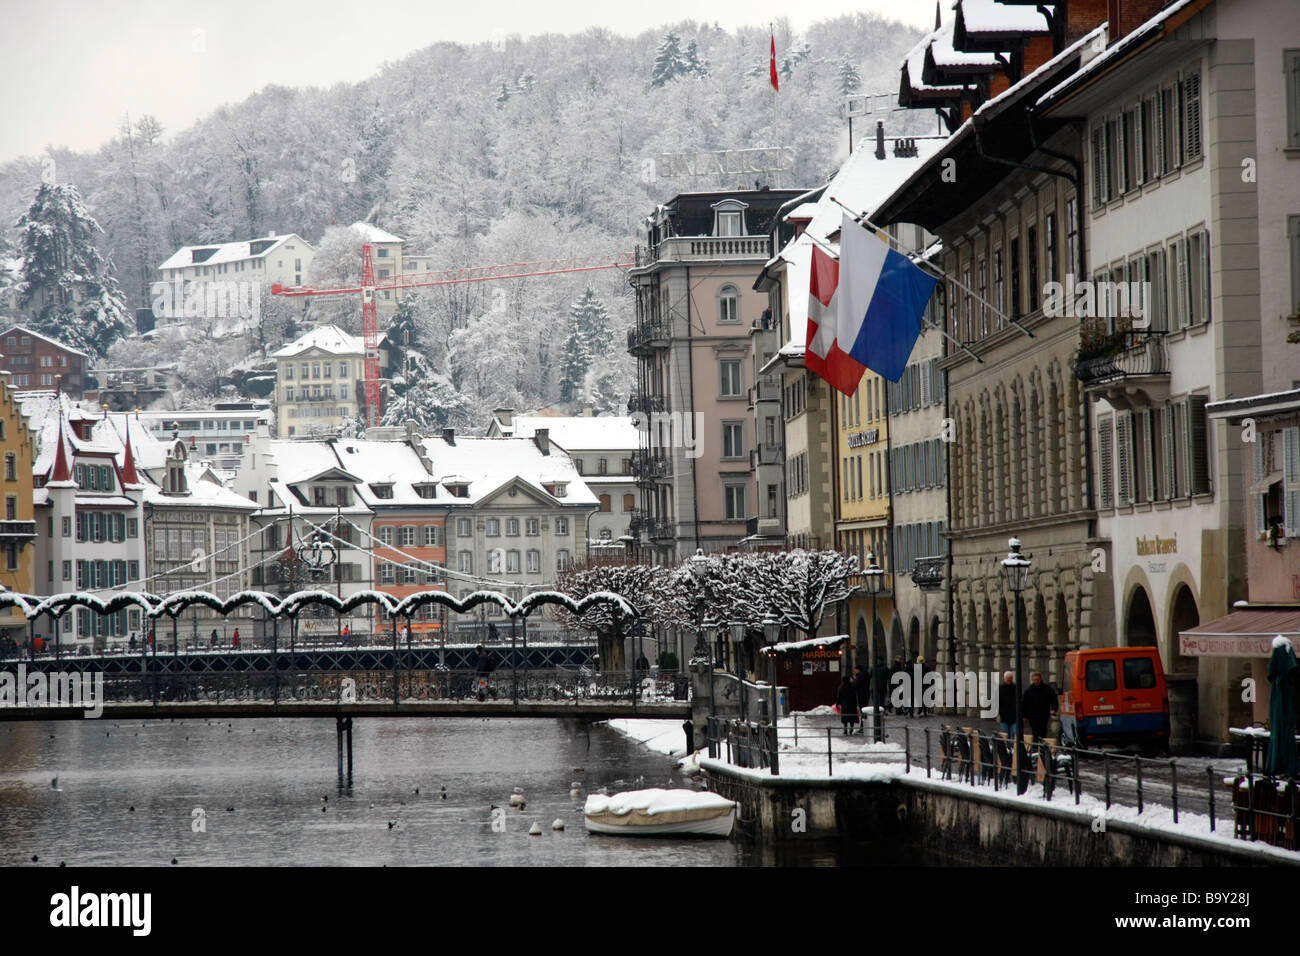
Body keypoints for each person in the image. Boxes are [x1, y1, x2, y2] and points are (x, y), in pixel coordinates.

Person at [1021, 671, 1058, 741]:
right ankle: (1036, 747)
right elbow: (1024, 703)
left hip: (1044, 714)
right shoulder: (1029, 690)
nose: (1036, 681)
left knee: (1043, 732)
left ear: (1040, 679)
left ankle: (1042, 747)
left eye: (1037, 680)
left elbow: (1053, 699)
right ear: (1032, 680)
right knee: (1035, 732)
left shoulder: (1047, 689)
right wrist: (1024, 716)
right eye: (1034, 680)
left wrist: (1054, 709)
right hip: (1033, 716)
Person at [852, 664, 872, 735]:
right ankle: (863, 726)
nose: (855, 671)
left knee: (862, 711)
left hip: (861, 695)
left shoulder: (860, 676)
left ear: (858, 669)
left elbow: (855, 685)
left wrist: (853, 680)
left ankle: (863, 727)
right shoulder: (865, 674)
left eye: (855, 670)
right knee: (864, 710)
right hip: (865, 694)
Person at [997, 671, 1017, 738]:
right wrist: (998, 714)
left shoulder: (1015, 688)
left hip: (1014, 716)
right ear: (1004, 679)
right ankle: (1007, 747)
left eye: (1010, 678)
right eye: (1008, 678)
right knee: (1005, 735)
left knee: (1015, 733)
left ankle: (1013, 747)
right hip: (1004, 716)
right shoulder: (1000, 689)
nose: (1009, 680)